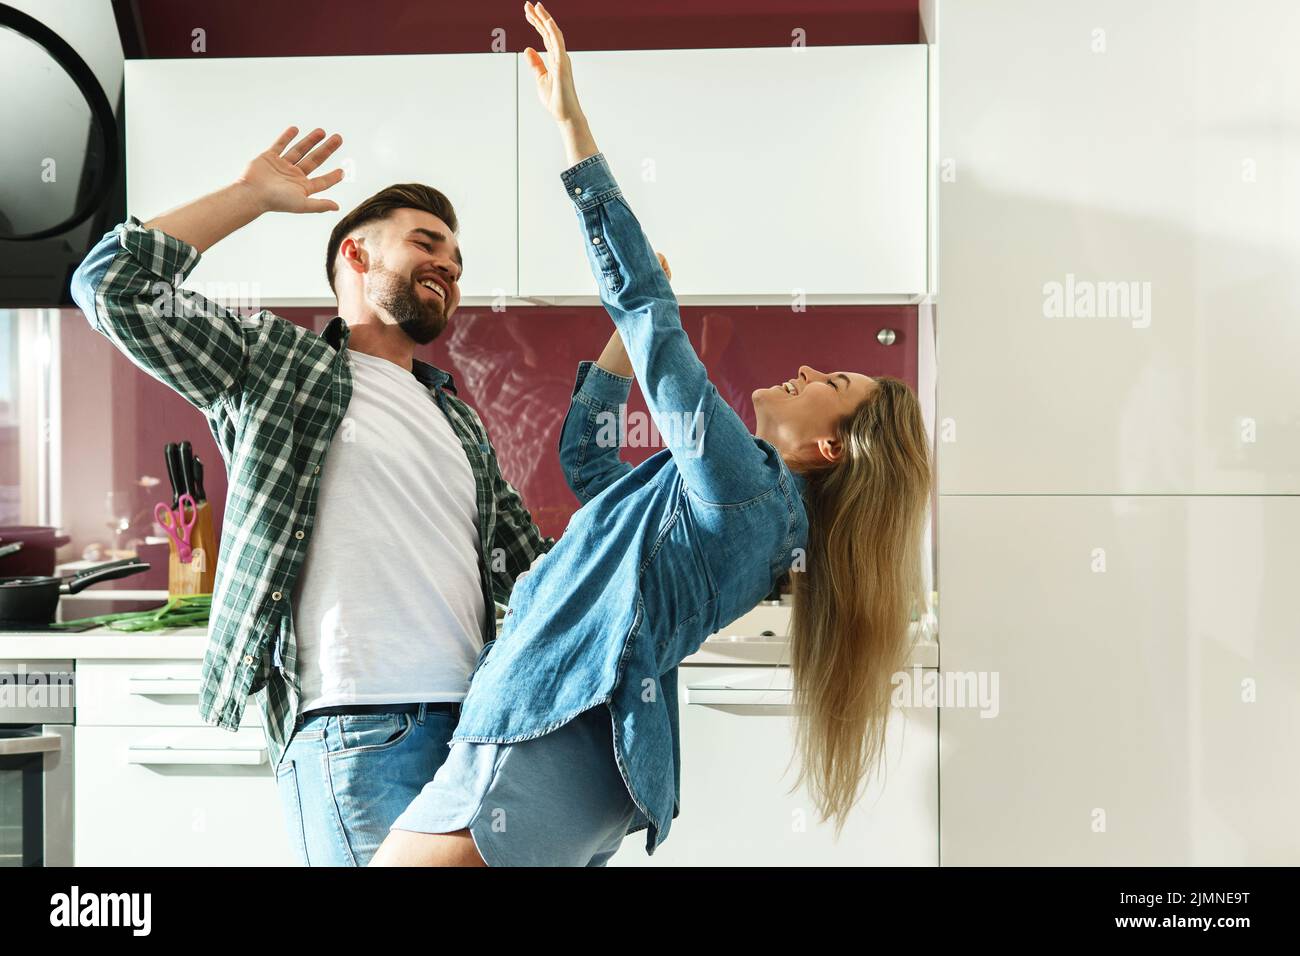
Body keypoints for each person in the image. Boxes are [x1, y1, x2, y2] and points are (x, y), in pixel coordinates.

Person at [369, 1, 933, 867]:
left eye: (836, 385)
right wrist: (617, 347)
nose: (813, 371)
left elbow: (650, 315)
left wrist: (571, 125)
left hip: (539, 737)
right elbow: (588, 459)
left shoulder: (741, 485)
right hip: (575, 758)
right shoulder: (729, 505)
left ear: (830, 449)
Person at [70, 122, 552, 867]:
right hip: (355, 729)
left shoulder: (457, 418)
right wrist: (250, 196)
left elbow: (537, 573)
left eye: (456, 259)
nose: (448, 267)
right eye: (426, 244)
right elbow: (108, 285)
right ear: (356, 254)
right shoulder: (274, 363)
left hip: (475, 729)